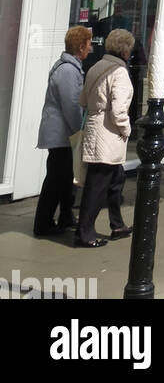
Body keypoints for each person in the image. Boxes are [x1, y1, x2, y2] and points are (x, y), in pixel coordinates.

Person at [75, 28, 135, 248]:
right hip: (108, 133)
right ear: (126, 50)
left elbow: (82, 100)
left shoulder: (95, 67)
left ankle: (117, 224)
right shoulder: (119, 72)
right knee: (98, 184)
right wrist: (127, 130)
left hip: (94, 126)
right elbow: (119, 111)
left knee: (115, 180)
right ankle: (85, 232)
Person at [34, 25, 92, 237]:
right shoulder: (68, 70)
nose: (90, 48)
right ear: (79, 46)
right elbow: (71, 105)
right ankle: (43, 223)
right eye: (87, 44)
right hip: (61, 136)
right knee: (56, 180)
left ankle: (64, 216)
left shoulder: (68, 67)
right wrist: (79, 132)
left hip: (61, 135)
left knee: (64, 179)